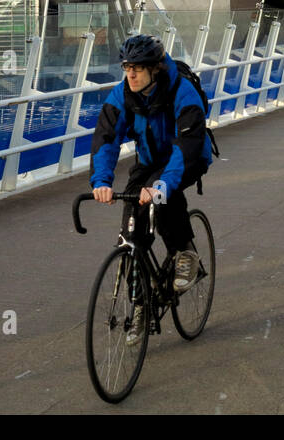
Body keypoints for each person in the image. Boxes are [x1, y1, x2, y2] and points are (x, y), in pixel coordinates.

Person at [91, 34, 213, 297]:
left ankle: (185, 253)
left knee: (162, 196)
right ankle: (139, 305)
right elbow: (106, 138)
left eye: (137, 68)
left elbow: (188, 145)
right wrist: (101, 181)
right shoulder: (122, 94)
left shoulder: (182, 91)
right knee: (130, 233)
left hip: (189, 156)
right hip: (148, 161)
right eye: (126, 67)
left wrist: (162, 185)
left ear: (155, 68)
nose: (131, 75)